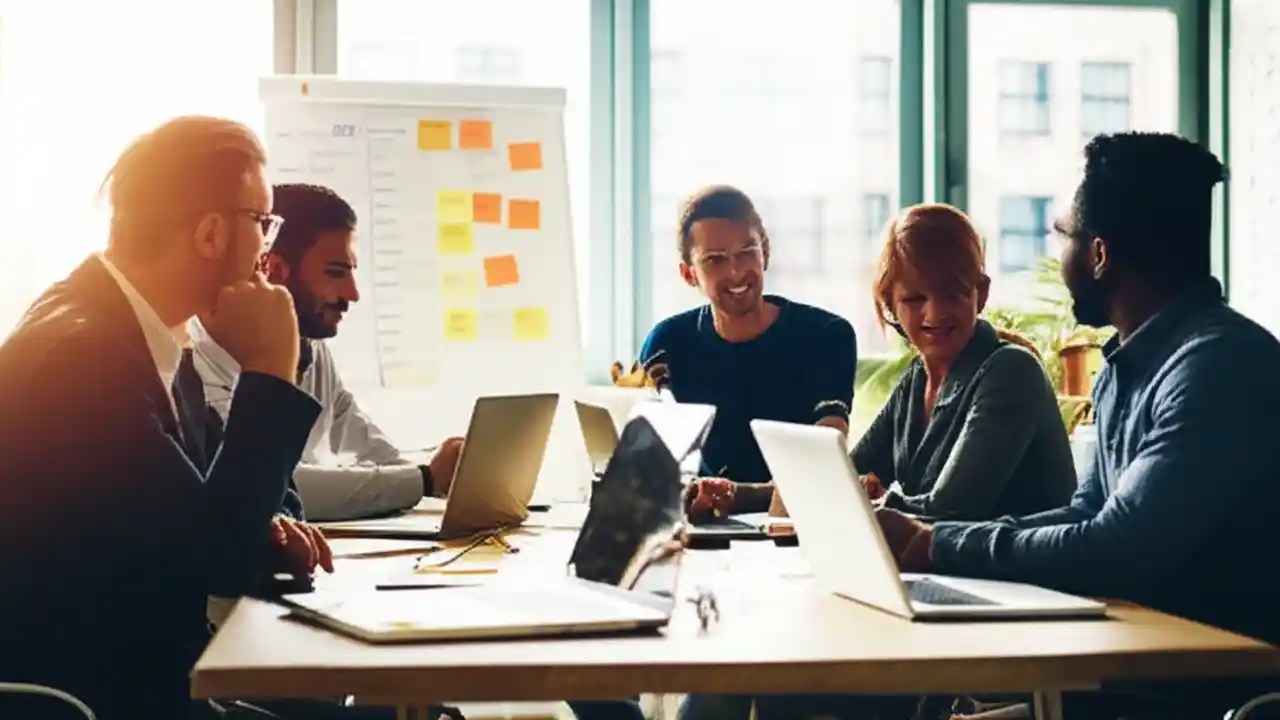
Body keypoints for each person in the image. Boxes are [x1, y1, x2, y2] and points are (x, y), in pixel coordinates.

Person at [878, 133, 1280, 717]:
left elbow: (1117, 547)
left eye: (1062, 234)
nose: (1057, 254)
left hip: (1205, 691)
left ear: (1098, 255)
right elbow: (1085, 512)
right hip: (1126, 665)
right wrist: (932, 541)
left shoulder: (1218, 367)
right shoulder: (1127, 366)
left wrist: (936, 543)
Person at [0, 116, 329, 720]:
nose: (268, 249)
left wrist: (271, 529)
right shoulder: (86, 356)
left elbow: (227, 513)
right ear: (209, 233)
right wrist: (270, 368)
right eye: (262, 223)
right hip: (105, 693)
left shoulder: (144, 331)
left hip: (154, 672)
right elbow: (216, 554)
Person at [191, 183, 464, 522]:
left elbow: (374, 451)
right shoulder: (197, 360)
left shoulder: (314, 350)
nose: (352, 294)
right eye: (336, 273)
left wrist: (448, 471)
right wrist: (423, 479)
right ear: (274, 268)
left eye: (352, 272)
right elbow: (279, 485)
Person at [639, 185, 857, 518]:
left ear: (765, 252)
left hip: (794, 528)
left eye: (746, 251)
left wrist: (737, 497)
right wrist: (685, 497)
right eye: (715, 260)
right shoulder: (665, 345)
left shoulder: (826, 337)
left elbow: (821, 473)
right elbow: (653, 473)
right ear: (688, 274)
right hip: (702, 531)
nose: (736, 272)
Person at [853, 203, 1076, 521]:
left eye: (952, 293)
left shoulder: (1012, 372)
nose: (935, 314)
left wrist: (875, 501)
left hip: (1014, 570)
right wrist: (859, 490)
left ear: (980, 294)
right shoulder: (916, 379)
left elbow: (952, 510)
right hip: (942, 568)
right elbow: (847, 475)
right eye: (915, 299)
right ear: (889, 304)